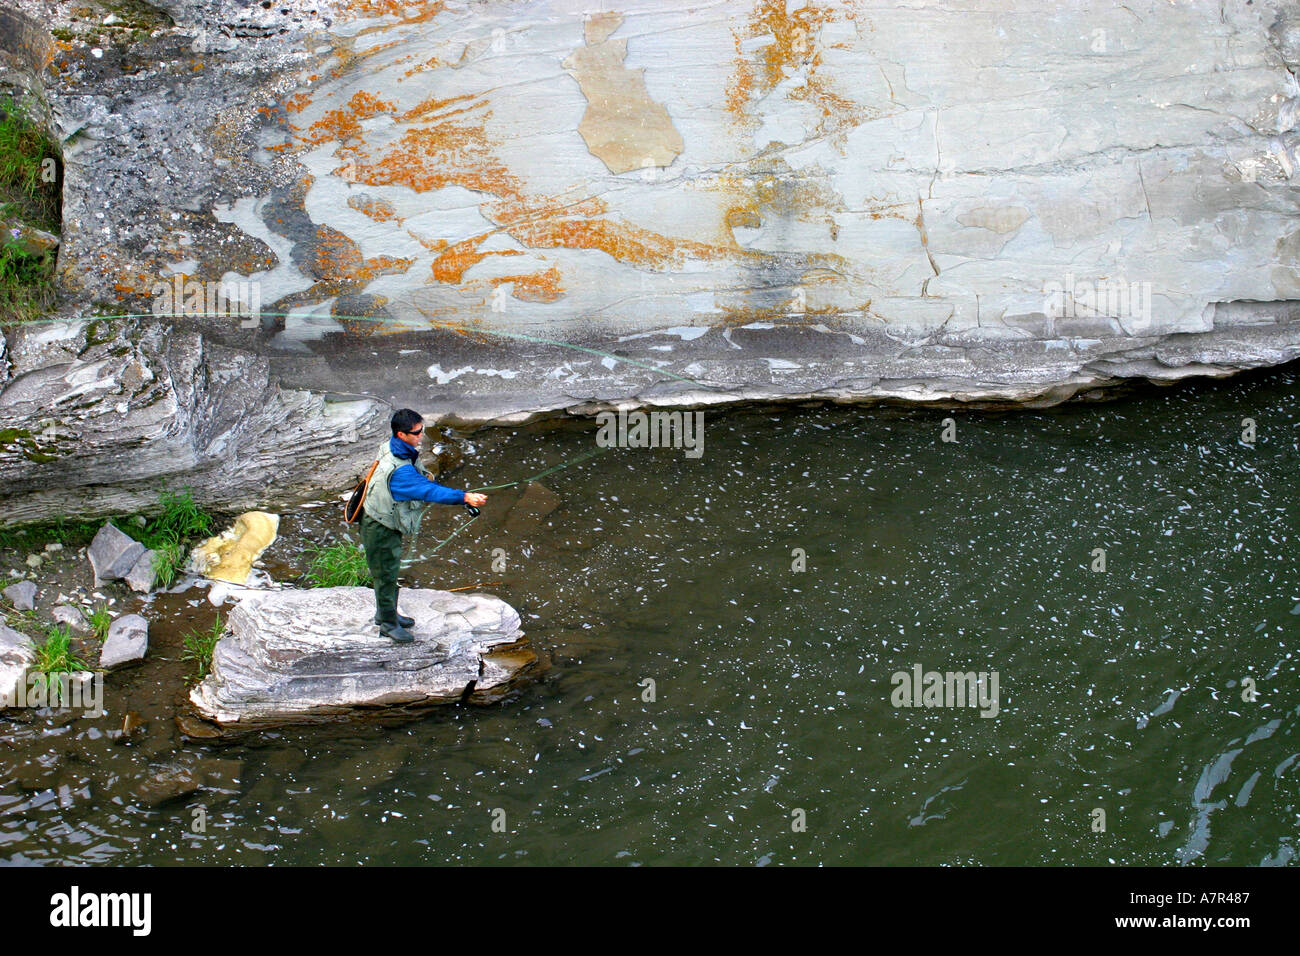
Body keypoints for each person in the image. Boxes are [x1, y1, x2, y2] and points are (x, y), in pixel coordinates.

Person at [360, 408, 488, 643]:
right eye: (417, 432)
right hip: (380, 526)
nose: (422, 436)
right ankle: (387, 624)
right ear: (401, 434)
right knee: (385, 574)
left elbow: (421, 480)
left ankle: (385, 613)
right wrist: (464, 497)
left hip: (383, 519)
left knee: (388, 570)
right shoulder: (400, 472)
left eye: (422, 430)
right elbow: (429, 491)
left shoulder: (392, 447)